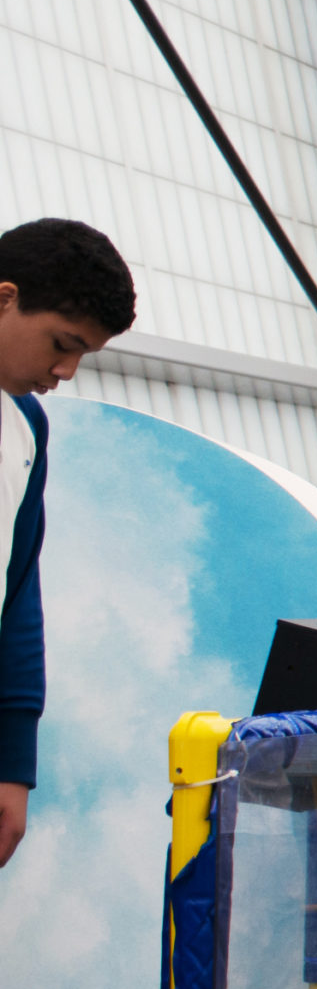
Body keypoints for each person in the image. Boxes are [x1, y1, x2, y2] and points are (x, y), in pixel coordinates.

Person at [0, 219, 132, 876]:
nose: (66, 370)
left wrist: (14, 762)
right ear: (4, 297)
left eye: (84, 355)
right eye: (62, 343)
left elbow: (18, 597)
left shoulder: (25, 428)